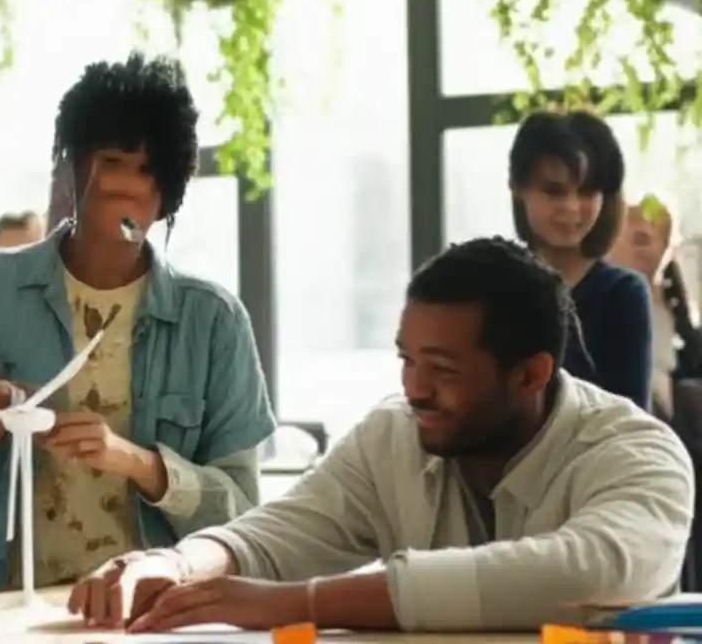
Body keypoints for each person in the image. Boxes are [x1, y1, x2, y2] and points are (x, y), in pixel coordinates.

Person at [69, 237, 693, 633]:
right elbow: (283, 532)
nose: (415, 387)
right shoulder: (395, 434)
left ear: (531, 374)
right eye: (406, 359)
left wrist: (301, 603)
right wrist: (177, 563)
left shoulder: (638, 453)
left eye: (443, 370)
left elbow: (586, 574)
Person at [0, 53, 277, 593]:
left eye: (146, 169)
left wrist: (139, 463)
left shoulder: (213, 319)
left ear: (170, 185)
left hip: (156, 611)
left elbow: (242, 515)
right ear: (74, 165)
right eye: (111, 161)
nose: (125, 186)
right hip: (12, 606)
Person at [507, 110, 652, 408]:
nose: (572, 208)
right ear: (519, 190)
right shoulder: (495, 286)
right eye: (553, 191)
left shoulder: (622, 294)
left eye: (587, 192)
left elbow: (632, 421)